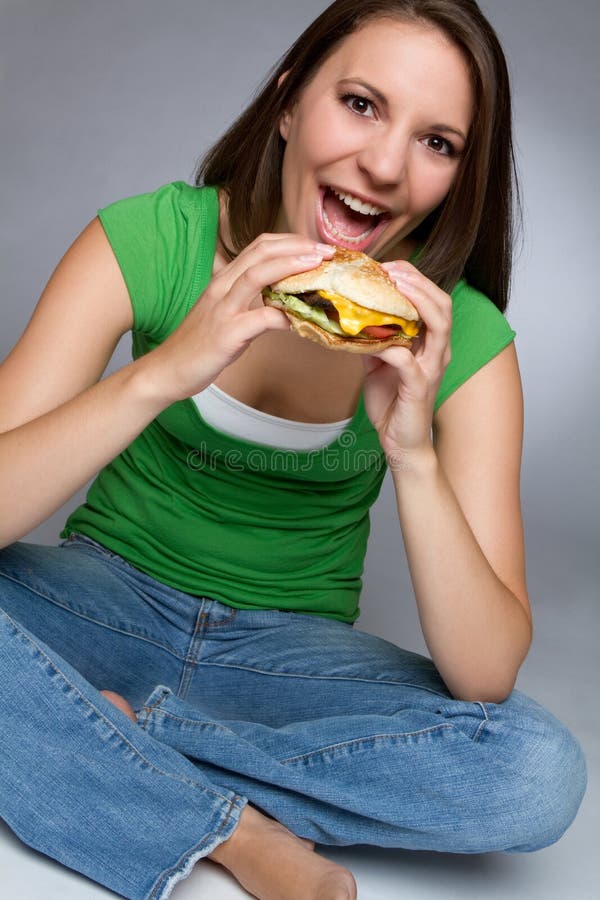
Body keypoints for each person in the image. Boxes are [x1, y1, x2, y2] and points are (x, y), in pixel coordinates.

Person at [0, 1, 587, 898]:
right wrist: (165, 372)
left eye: (439, 143)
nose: (385, 166)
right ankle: (228, 829)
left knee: (536, 773)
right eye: (360, 104)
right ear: (287, 105)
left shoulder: (461, 337)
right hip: (98, 608)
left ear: (462, 175)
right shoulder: (155, 238)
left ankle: (122, 740)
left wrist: (413, 451)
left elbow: (486, 671)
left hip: (282, 667)